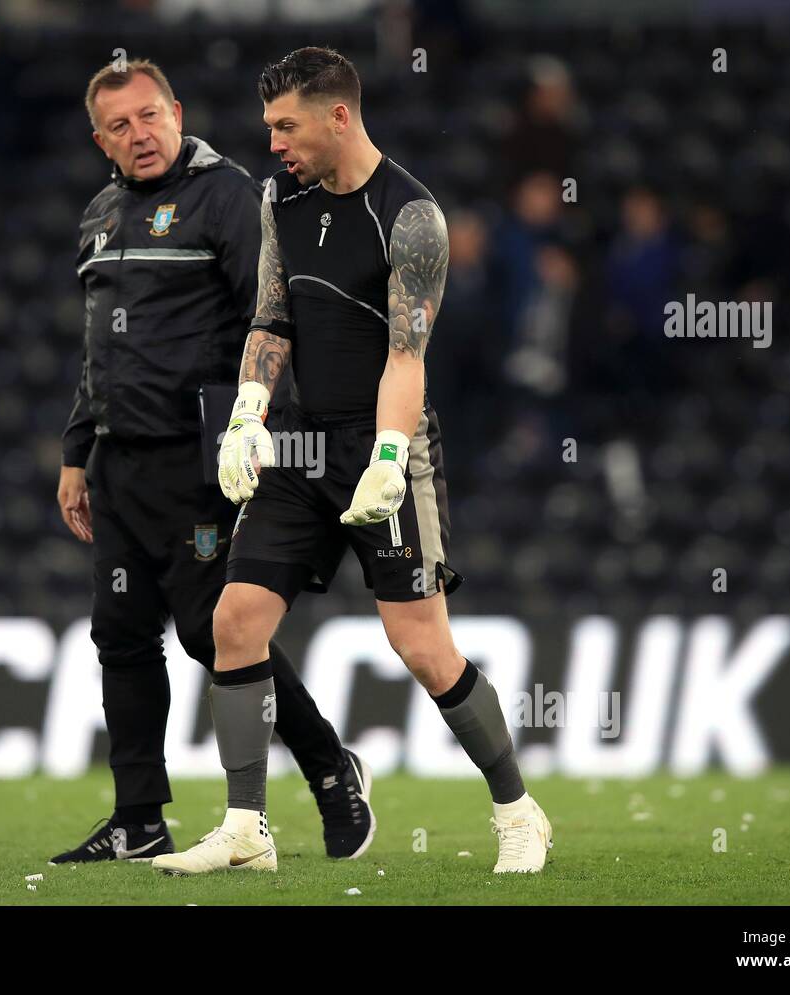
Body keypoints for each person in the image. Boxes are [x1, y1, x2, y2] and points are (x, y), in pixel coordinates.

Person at [153, 47, 552, 877]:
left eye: (285, 125)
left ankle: (518, 809)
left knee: (422, 646)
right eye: (268, 127)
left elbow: (407, 357)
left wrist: (389, 455)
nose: (272, 143)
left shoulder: (412, 216)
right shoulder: (280, 198)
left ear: (338, 116)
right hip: (300, 445)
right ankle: (244, 828)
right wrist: (249, 413)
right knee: (235, 620)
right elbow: (271, 318)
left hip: (384, 445)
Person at [51, 58, 372, 865]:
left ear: (176, 111)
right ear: (101, 140)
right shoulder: (97, 216)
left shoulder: (229, 196)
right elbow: (97, 354)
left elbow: (272, 321)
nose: (140, 133)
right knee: (120, 637)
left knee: (210, 631)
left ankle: (330, 766)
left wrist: (259, 430)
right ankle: (138, 816)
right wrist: (76, 453)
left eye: (150, 115)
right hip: (119, 466)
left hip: (203, 461)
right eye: (120, 125)